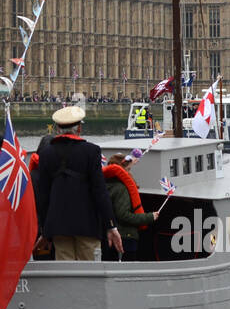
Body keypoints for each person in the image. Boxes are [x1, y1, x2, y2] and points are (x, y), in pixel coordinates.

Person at [34, 106, 122, 261]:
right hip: (87, 223)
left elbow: (42, 196)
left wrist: (44, 230)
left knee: (65, 271)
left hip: (58, 224)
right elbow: (99, 191)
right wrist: (111, 225)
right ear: (79, 128)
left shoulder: (46, 153)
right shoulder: (91, 151)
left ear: (57, 128)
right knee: (89, 270)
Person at [103, 152, 158, 260]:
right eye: (128, 170)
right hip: (125, 236)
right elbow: (123, 215)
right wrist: (150, 217)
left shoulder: (105, 185)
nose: (129, 173)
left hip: (109, 235)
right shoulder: (121, 188)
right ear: (121, 171)